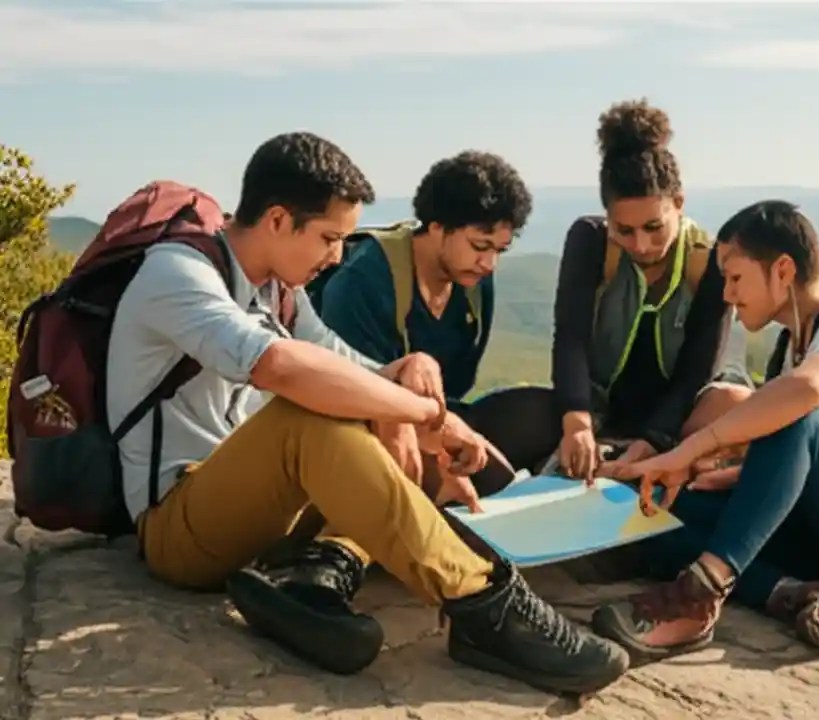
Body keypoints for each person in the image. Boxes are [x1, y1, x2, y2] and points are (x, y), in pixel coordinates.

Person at [105, 131, 630, 693]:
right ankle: (485, 603)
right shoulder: (178, 275)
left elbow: (348, 364)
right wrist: (431, 417)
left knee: (368, 403)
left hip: (265, 517)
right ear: (278, 220)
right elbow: (281, 368)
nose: (336, 255)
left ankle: (318, 583)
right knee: (311, 414)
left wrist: (410, 369)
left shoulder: (278, 289)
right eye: (329, 237)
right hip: (180, 526)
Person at [589, 200, 819, 663]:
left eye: (735, 278)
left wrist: (694, 447)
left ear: (782, 270)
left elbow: (808, 394)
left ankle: (699, 599)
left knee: (796, 415)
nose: (728, 296)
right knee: (658, 511)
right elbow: (811, 467)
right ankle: (799, 594)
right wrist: (718, 474)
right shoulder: (794, 345)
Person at [315, 150, 552, 504]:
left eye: (500, 250)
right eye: (479, 246)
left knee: (549, 414)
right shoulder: (363, 281)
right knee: (491, 483)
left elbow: (457, 387)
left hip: (436, 418)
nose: (489, 264)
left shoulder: (473, 283)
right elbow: (357, 401)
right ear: (437, 226)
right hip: (368, 430)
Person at [550, 98, 752, 484]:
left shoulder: (706, 260)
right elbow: (570, 336)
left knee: (731, 404)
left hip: (686, 409)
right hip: (607, 403)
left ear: (678, 203)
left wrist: (654, 440)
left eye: (654, 227)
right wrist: (576, 420)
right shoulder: (590, 241)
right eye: (624, 230)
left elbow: (699, 366)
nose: (641, 245)